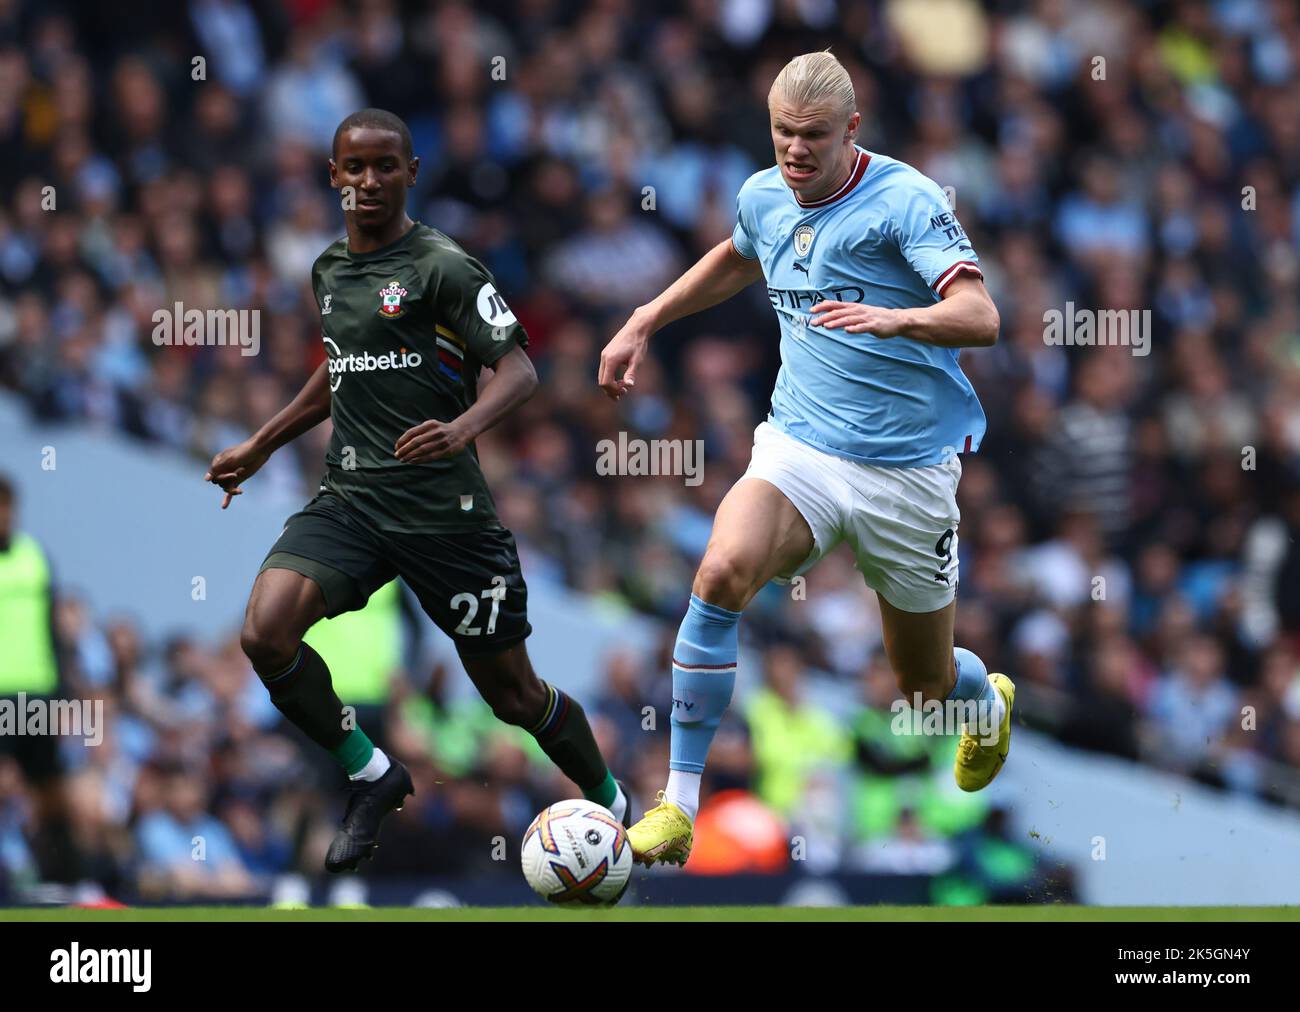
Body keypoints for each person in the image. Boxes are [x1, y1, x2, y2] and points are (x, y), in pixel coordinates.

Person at [598, 52, 1012, 867]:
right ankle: (678, 804)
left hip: (907, 472)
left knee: (923, 688)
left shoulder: (904, 202)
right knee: (720, 573)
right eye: (782, 133)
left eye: (812, 137)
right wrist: (646, 317)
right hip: (802, 449)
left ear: (851, 130)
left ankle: (984, 706)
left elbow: (982, 315)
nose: (794, 151)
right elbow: (739, 252)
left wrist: (900, 320)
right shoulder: (763, 193)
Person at [206, 109, 628, 875]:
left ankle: (614, 805)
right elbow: (337, 373)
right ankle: (372, 773)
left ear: (411, 173)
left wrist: (462, 429)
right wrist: (260, 445)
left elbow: (521, 370)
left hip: (446, 514)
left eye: (384, 167)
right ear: (333, 175)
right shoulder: (328, 270)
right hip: (354, 500)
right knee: (265, 632)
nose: (368, 181)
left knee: (514, 697)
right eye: (354, 167)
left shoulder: (444, 267)